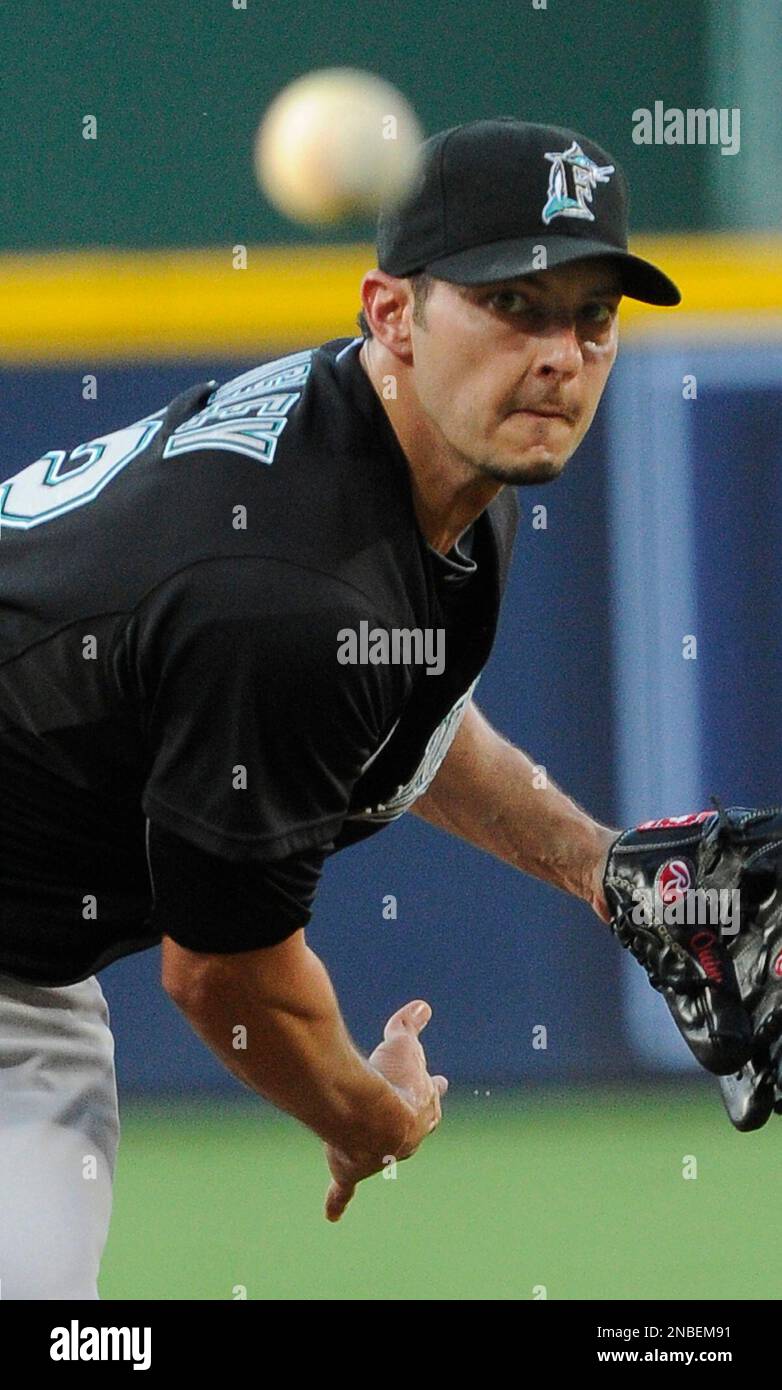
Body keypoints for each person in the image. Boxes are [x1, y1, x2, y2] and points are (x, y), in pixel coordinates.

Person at [0, 117, 681, 1299]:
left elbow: (401, 716)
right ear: (392, 314)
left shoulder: (442, 467)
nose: (560, 355)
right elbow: (223, 978)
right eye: (514, 306)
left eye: (591, 317)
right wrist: (369, 1116)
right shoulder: (283, 591)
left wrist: (606, 871)